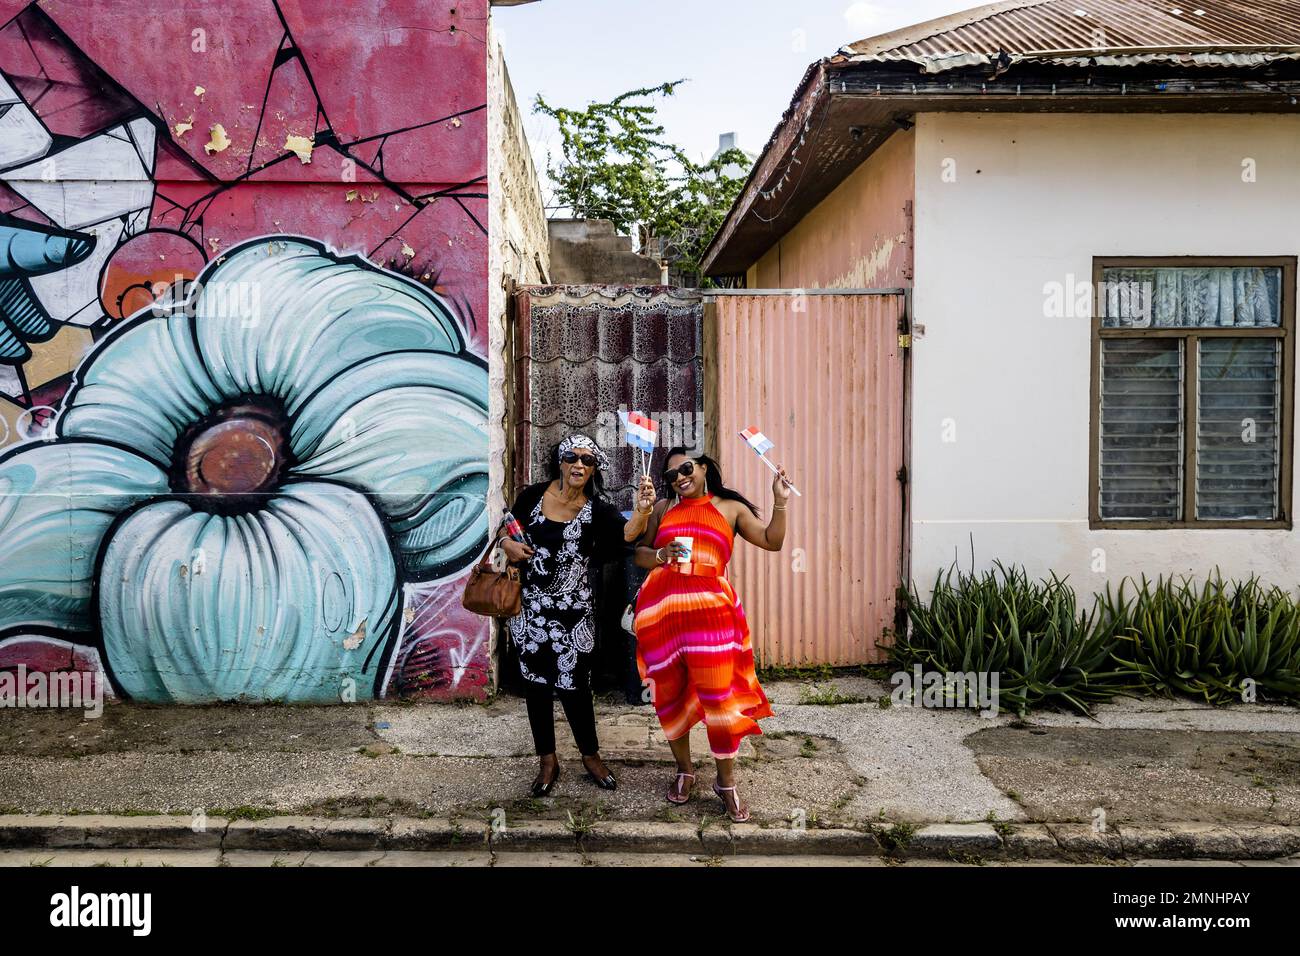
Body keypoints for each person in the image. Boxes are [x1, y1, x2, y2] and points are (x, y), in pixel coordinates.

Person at [632, 446, 791, 822]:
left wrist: (779, 502)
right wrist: (659, 555)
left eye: (685, 469)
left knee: (719, 701)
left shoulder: (729, 508)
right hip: (664, 615)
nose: (679, 478)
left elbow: (773, 540)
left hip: (712, 618)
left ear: (703, 467)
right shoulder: (663, 510)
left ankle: (726, 783)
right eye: (670, 475)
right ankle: (685, 771)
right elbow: (638, 552)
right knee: (669, 697)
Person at [499, 434, 656, 797]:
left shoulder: (596, 509)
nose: (579, 464)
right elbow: (507, 525)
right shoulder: (532, 496)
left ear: (593, 469)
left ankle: (590, 756)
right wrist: (508, 543)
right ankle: (547, 760)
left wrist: (644, 510)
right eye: (572, 457)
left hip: (575, 616)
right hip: (531, 610)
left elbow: (626, 535)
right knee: (536, 686)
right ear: (560, 460)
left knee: (575, 687)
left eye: (588, 460)